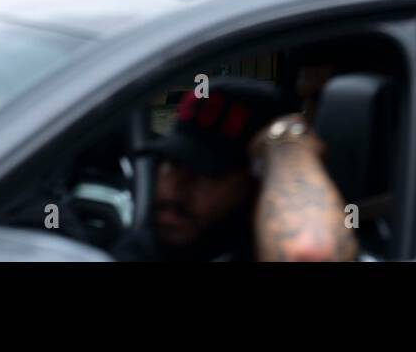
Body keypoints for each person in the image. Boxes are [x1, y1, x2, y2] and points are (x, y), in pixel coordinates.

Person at [113, 78, 358, 262]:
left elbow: (309, 252)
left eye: (207, 173)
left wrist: (286, 143)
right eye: (172, 165)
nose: (174, 189)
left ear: (256, 183)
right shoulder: (145, 248)